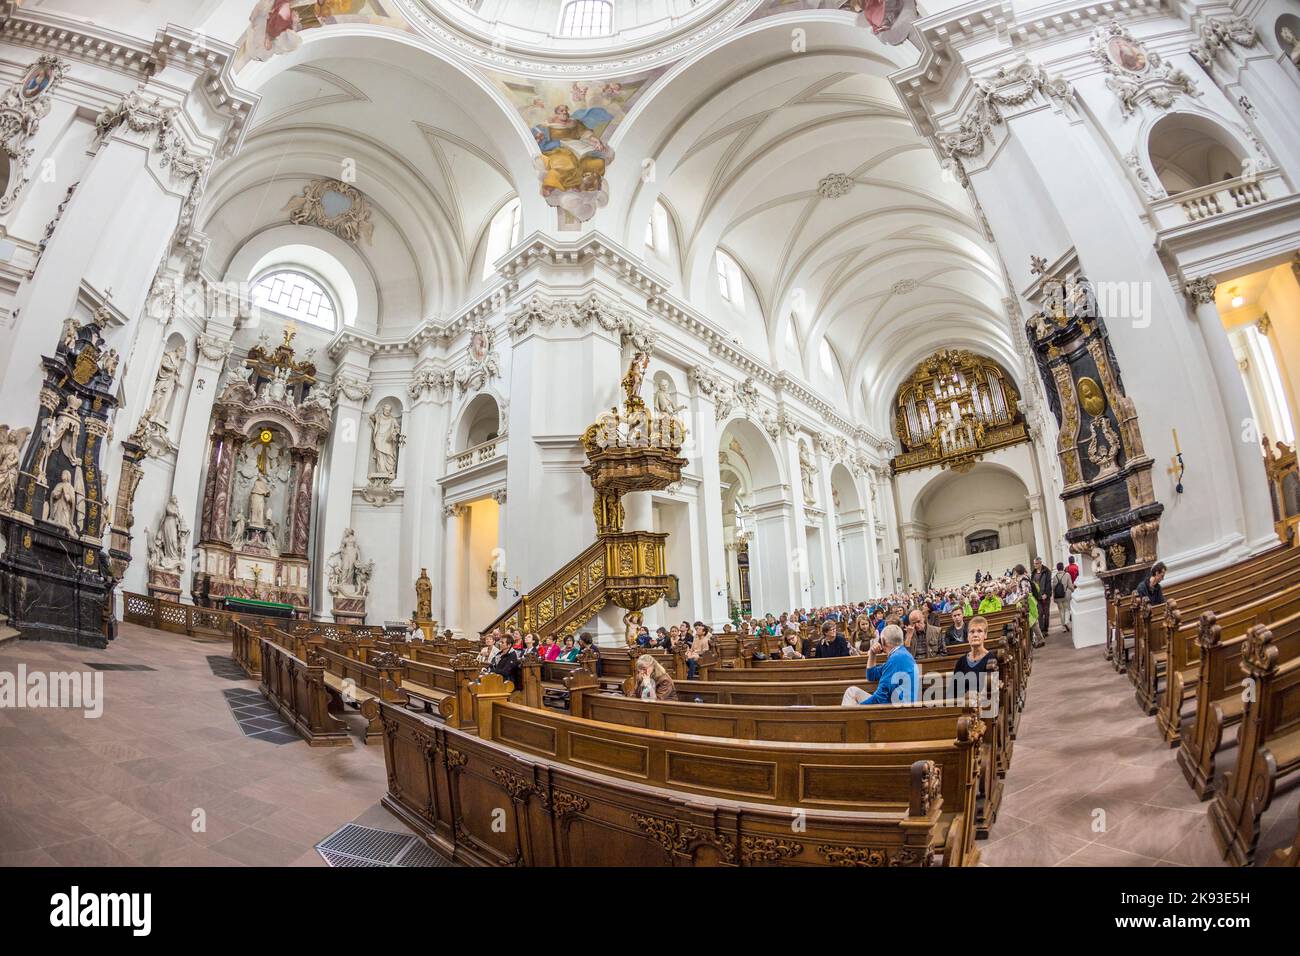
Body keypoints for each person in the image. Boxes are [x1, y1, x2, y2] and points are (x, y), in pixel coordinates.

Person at [840, 624, 918, 706]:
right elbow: (871, 675)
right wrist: (872, 654)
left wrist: (859, 707)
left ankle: (848, 717)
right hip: (896, 704)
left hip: (896, 710)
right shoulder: (901, 654)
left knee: (850, 701)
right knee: (852, 691)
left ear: (883, 641)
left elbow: (880, 697)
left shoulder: (896, 658)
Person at [953, 615, 996, 693]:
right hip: (963, 703)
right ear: (968, 637)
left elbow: (992, 691)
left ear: (985, 635)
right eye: (972, 632)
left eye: (979, 631)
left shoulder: (991, 659)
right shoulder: (961, 661)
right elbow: (954, 690)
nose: (975, 635)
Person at [1032, 557, 1053, 634]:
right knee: (1040, 613)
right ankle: (1042, 630)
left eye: (1036, 563)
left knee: (1046, 613)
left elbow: (1048, 584)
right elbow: (1033, 585)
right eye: (1034, 563)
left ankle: (1046, 629)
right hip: (1037, 596)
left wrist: (1046, 594)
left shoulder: (1046, 571)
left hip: (1045, 595)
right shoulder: (1033, 573)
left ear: (1040, 563)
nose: (1035, 565)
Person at [1052, 561, 1075, 632]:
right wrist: (1073, 590)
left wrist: (1054, 597)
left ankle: (1063, 627)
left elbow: (1053, 588)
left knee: (1061, 611)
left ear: (1057, 568)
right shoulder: (1067, 575)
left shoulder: (1054, 577)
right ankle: (1066, 622)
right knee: (1067, 609)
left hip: (1058, 597)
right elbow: (1070, 585)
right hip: (1066, 595)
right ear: (1063, 567)